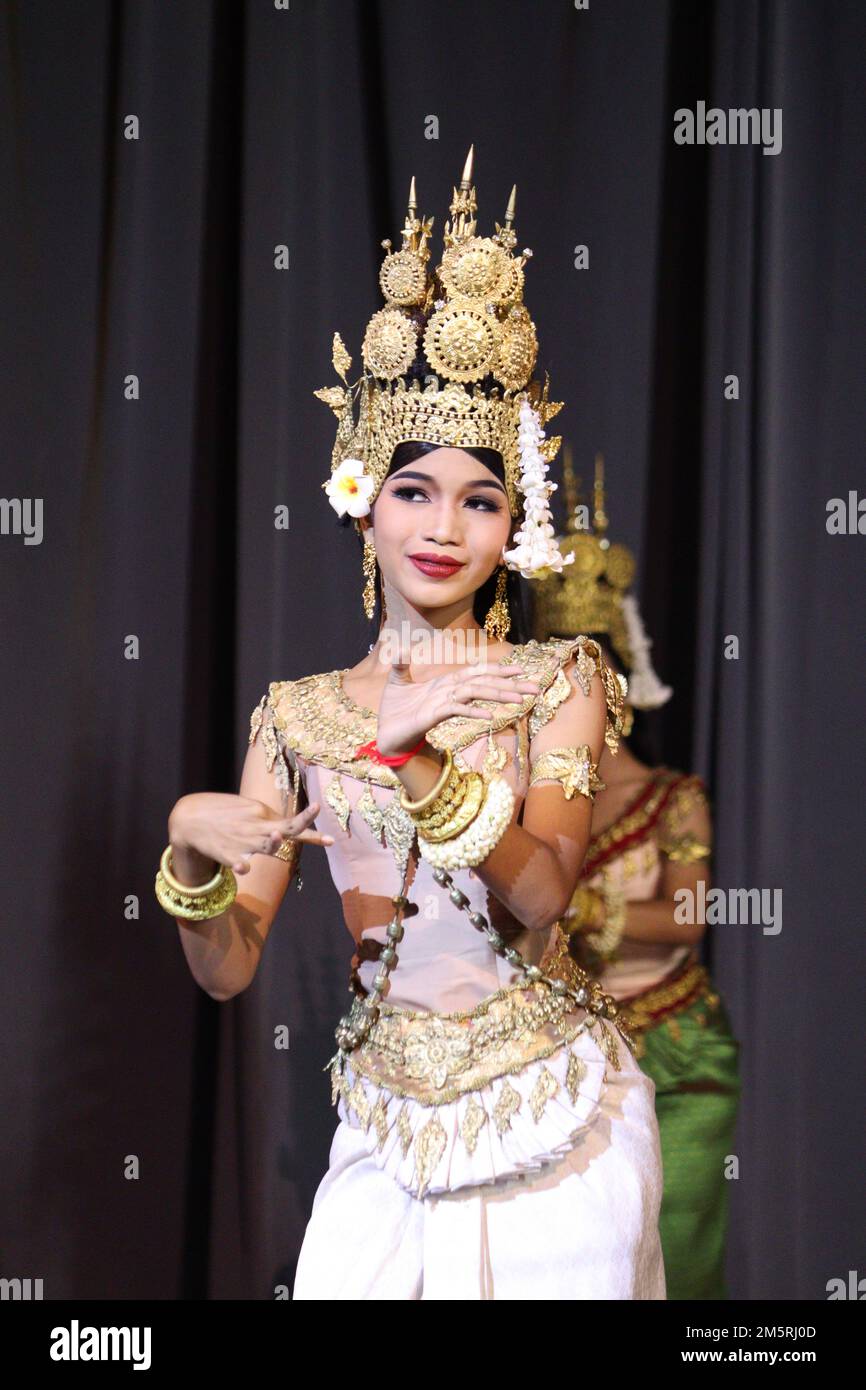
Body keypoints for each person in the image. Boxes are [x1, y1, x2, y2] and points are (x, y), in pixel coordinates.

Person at [156, 148, 666, 1300]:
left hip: (552, 1117)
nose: (444, 526)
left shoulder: (553, 678)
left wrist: (420, 753)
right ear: (361, 499)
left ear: (510, 523)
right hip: (385, 1132)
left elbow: (540, 897)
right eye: (413, 490)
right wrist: (189, 850)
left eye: (480, 499)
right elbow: (229, 968)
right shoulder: (295, 717)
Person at [532, 449, 742, 1300]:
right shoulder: (524, 801)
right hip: (561, 1056)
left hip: (678, 1053)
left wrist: (577, 905)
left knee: (677, 1260)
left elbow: (686, 920)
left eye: (588, 674)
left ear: (619, 683)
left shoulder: (673, 799)